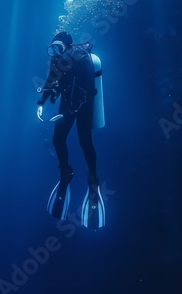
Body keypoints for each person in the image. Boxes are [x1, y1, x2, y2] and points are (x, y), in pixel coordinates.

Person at [37, 31, 105, 228]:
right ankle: (66, 172)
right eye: (52, 49)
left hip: (83, 108)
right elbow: (50, 82)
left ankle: (93, 178)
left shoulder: (82, 60)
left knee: (85, 141)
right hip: (66, 108)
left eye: (58, 47)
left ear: (67, 46)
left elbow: (90, 90)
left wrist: (73, 109)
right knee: (57, 140)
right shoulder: (56, 61)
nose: (55, 52)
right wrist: (40, 102)